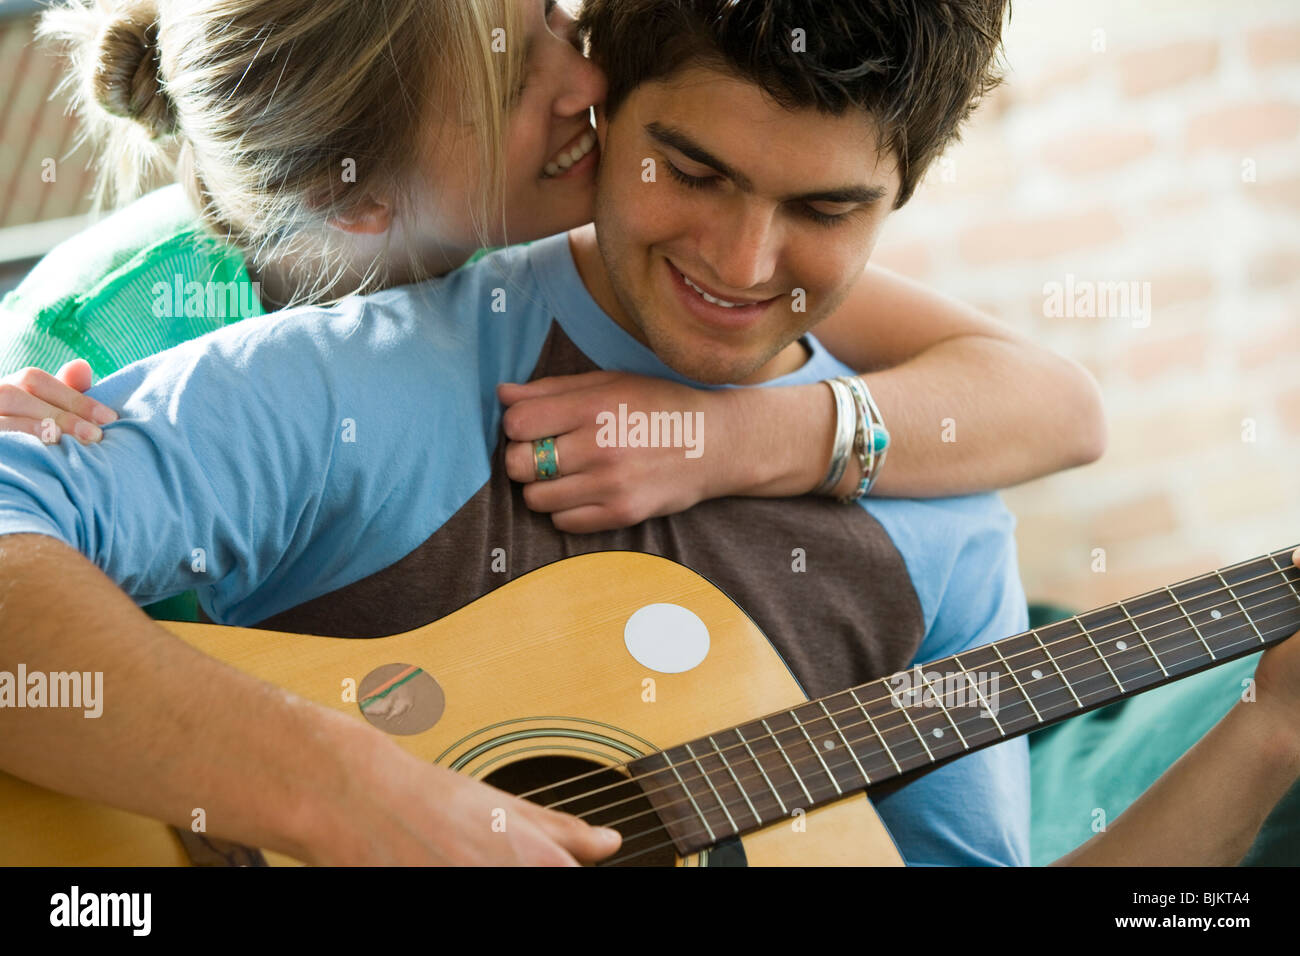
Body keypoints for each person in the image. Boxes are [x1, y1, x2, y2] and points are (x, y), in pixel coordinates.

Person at [2, 0, 1295, 867]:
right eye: (693, 168)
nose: (743, 262)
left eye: (828, 206)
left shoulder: (945, 524)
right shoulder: (350, 366)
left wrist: (1265, 736)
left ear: (908, 186)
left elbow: (1064, 404)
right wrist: (356, 793)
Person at [0, 0, 1105, 541]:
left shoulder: (568, 240)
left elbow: (1055, 406)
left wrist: (725, 437)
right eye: (519, 85)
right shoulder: (93, 335)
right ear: (358, 198)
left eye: (555, 22)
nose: (590, 83)